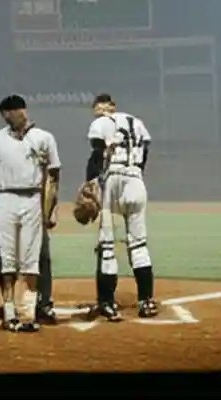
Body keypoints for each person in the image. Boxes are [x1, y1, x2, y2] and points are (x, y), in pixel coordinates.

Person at [0, 94, 61, 332]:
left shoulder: (44, 138)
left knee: (32, 260)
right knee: (7, 258)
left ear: (22, 111)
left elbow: (53, 178)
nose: (9, 117)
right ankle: (9, 312)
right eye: (6, 114)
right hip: (5, 199)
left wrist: (51, 210)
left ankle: (29, 314)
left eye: (13, 112)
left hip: (33, 198)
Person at [85, 93, 158, 321]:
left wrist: (90, 182)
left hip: (113, 179)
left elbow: (97, 155)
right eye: (96, 106)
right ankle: (146, 301)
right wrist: (134, 175)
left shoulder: (101, 123)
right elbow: (144, 153)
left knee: (107, 245)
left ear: (111, 107)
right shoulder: (138, 122)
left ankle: (107, 303)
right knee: (139, 244)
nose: (99, 109)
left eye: (102, 105)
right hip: (136, 180)